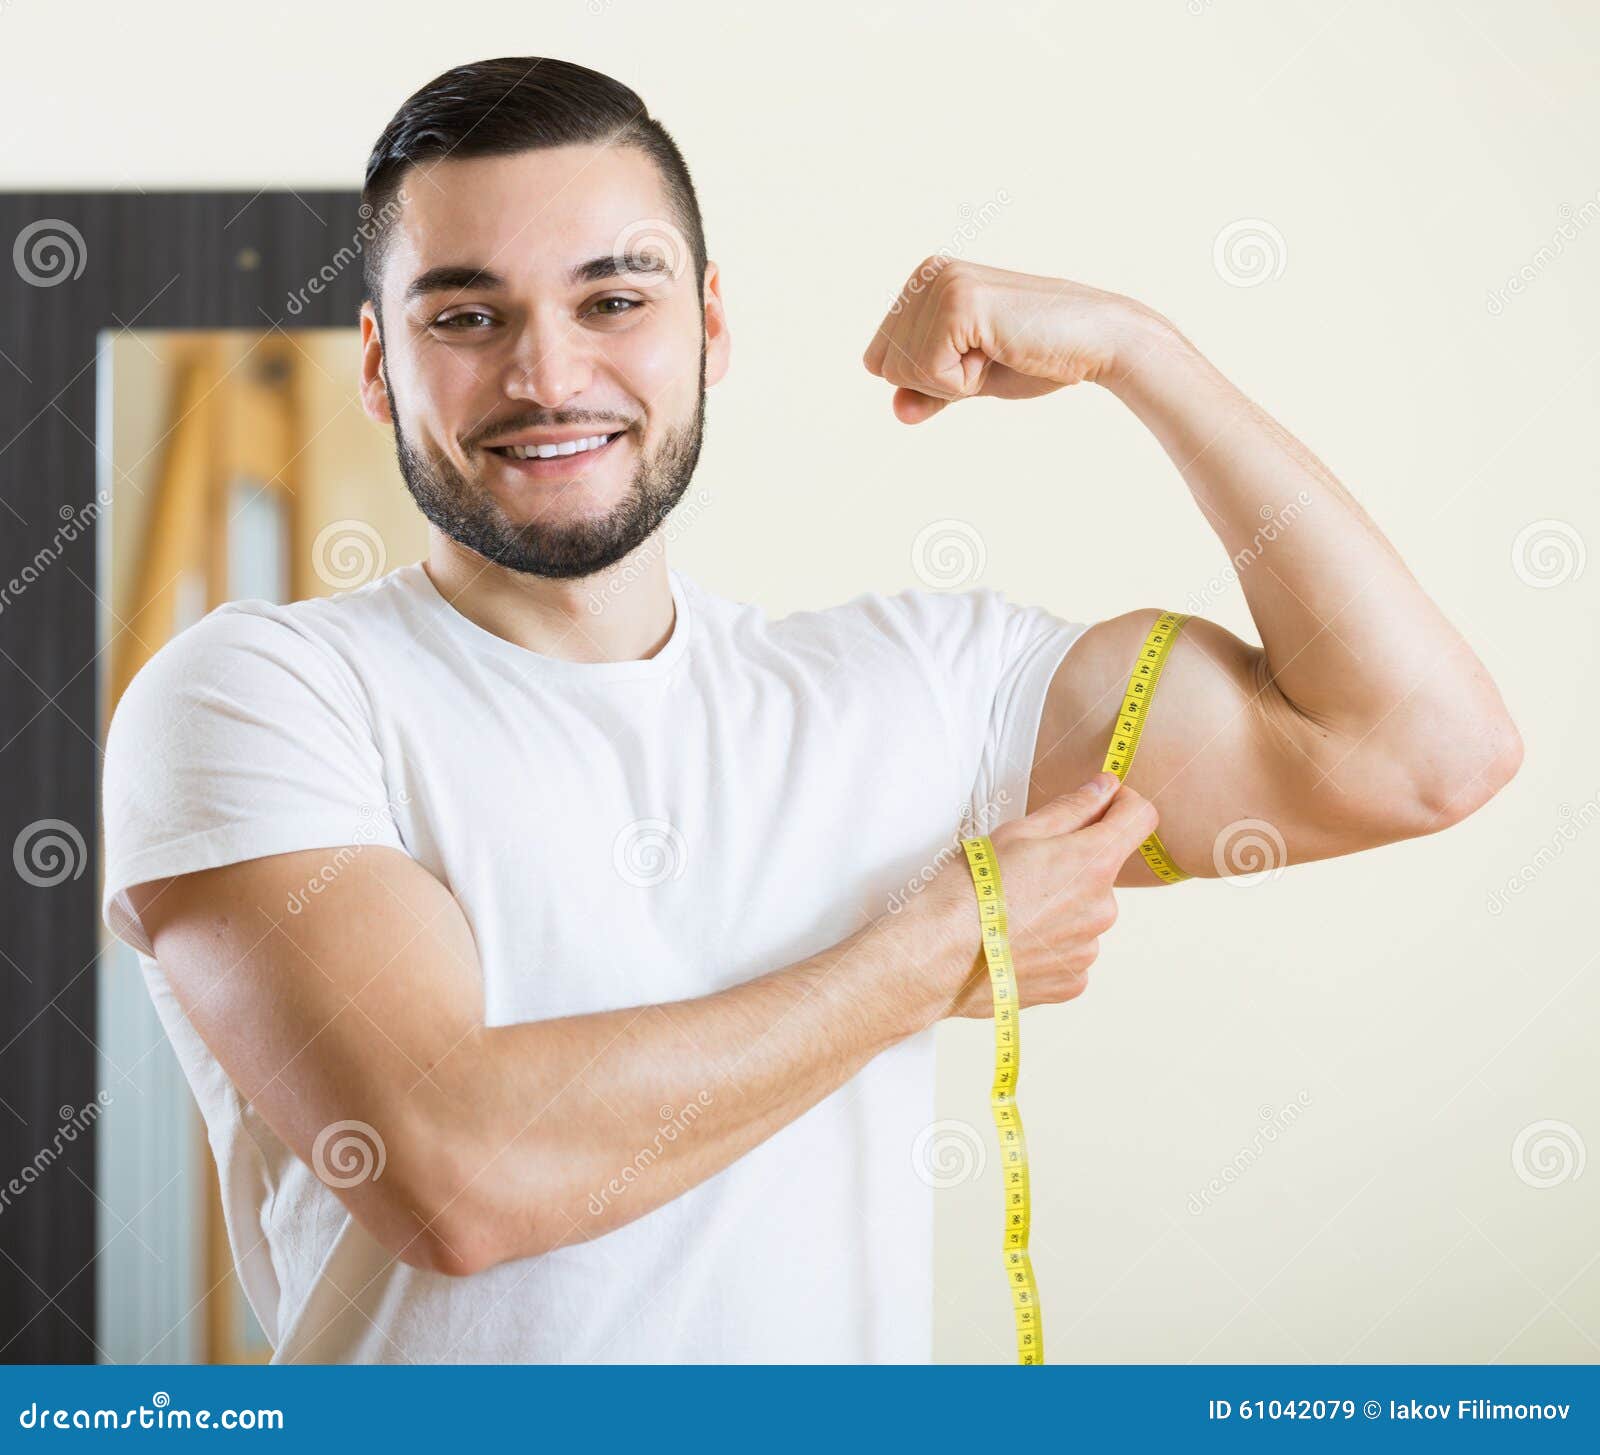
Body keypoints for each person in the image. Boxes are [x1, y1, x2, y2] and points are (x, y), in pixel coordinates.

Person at [100, 56, 1521, 1365]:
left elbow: (1413, 755)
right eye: (466, 316)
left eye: (615, 298)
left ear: (711, 327)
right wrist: (938, 947)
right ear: (374, 361)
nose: (546, 375)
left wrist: (1142, 353)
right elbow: (459, 1173)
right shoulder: (256, 698)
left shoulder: (923, 691)